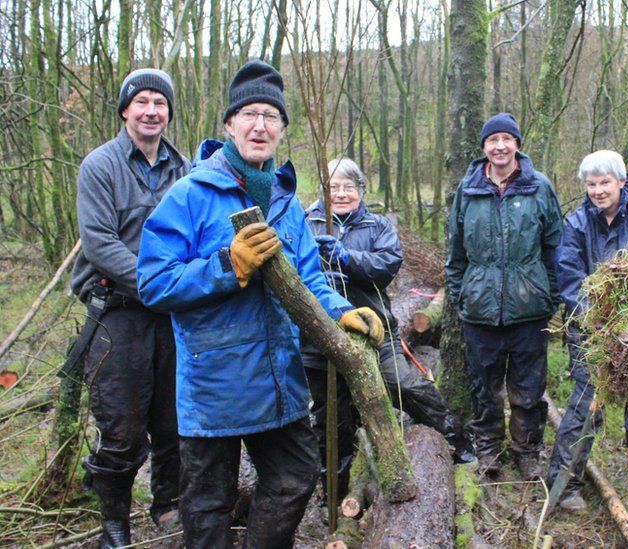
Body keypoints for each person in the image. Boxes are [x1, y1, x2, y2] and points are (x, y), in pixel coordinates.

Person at [136, 60, 383, 548]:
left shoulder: (288, 201)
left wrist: (340, 311)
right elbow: (154, 282)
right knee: (207, 504)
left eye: (271, 116)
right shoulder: (190, 194)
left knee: (295, 476)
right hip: (214, 382)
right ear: (229, 124)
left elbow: (308, 277)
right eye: (249, 114)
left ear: (281, 130)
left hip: (279, 378)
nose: (260, 125)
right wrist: (229, 266)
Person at [302, 157, 475, 498]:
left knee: (404, 385)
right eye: (333, 187)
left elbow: (387, 265)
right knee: (330, 419)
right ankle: (334, 493)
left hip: (375, 329)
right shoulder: (307, 223)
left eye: (348, 187)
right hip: (319, 337)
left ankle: (456, 439)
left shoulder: (377, 226)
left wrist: (348, 259)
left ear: (361, 191)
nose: (340, 194)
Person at [69, 68, 188, 547]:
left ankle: (167, 508)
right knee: (121, 427)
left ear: (169, 113)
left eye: (160, 104)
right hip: (118, 311)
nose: (151, 111)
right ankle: (114, 522)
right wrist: (158, 281)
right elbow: (99, 243)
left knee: (174, 420)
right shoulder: (100, 165)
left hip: (172, 312)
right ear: (125, 111)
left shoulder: (185, 168)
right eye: (141, 102)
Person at [547, 150, 628, 513]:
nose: (598, 191)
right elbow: (568, 279)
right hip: (591, 331)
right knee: (588, 403)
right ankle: (564, 482)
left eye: (604, 183)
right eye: (591, 184)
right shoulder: (577, 224)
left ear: (621, 181)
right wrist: (596, 318)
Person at [445, 113, 563, 479]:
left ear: (517, 144)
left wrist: (550, 297)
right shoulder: (467, 190)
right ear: (483, 148)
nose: (499, 146)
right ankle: (488, 451)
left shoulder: (539, 187)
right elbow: (455, 254)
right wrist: (461, 297)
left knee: (529, 389)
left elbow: (555, 247)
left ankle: (527, 451)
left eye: (506, 139)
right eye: (492, 140)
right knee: (484, 389)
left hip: (530, 308)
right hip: (479, 310)